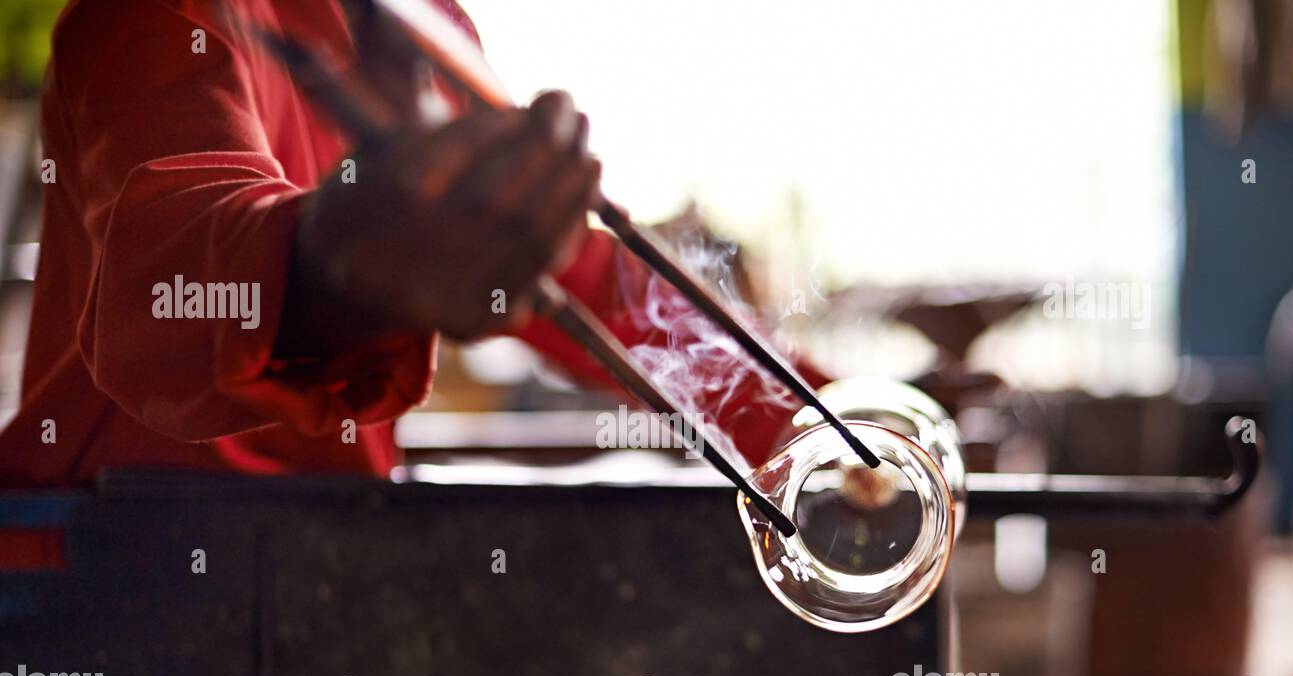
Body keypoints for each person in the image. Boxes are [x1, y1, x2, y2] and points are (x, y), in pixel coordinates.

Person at [0, 0, 825, 562]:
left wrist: (815, 416)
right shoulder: (153, 14)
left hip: (325, 573)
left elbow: (585, 276)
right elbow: (168, 277)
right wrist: (336, 268)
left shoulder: (425, 26)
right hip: (112, 579)